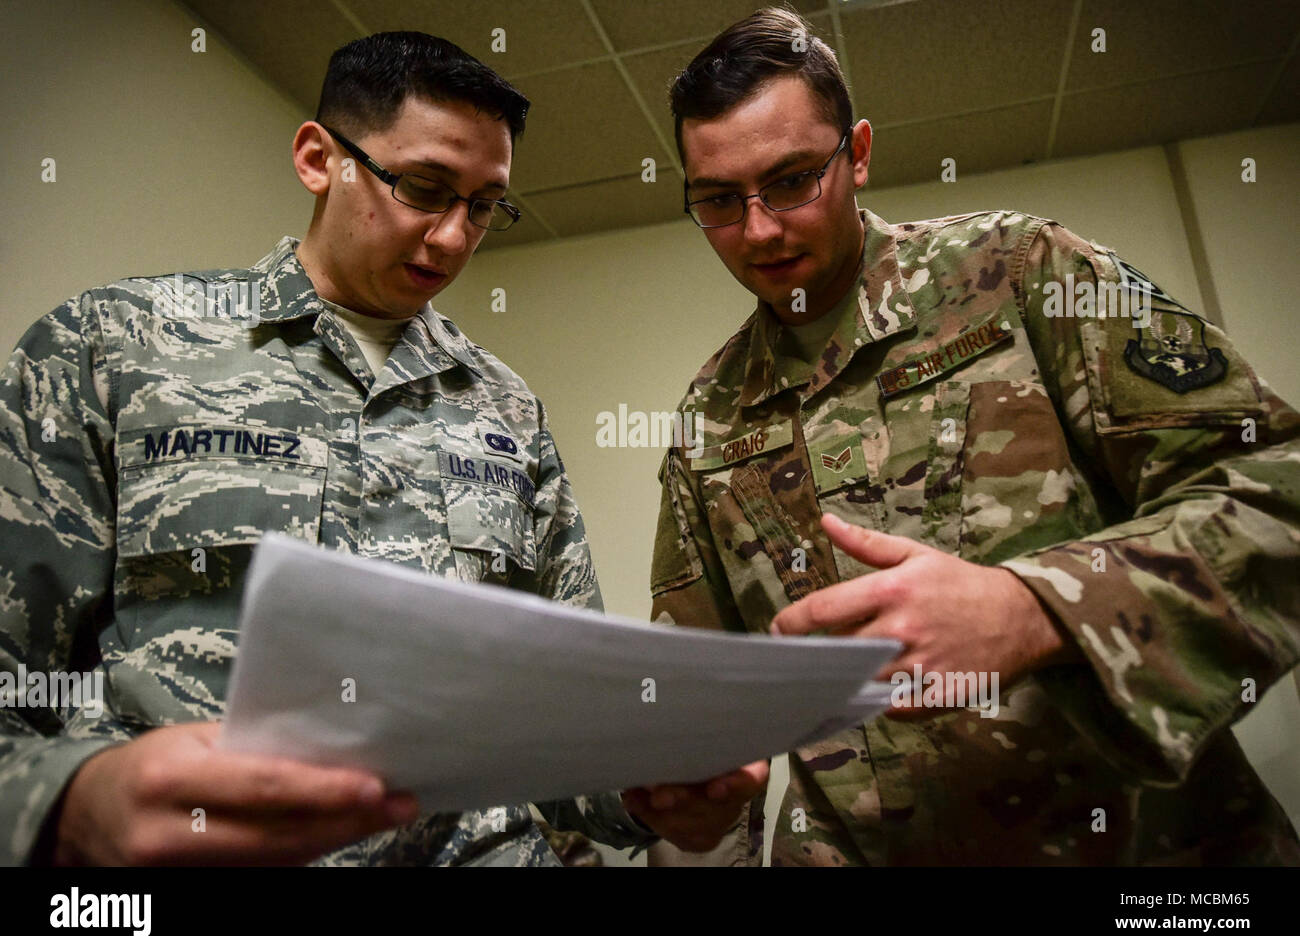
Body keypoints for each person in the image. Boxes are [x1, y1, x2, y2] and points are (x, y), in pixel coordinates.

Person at [647, 7, 1300, 865]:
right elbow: (696, 698)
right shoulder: (708, 419)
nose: (760, 229)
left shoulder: (1020, 272)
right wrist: (686, 802)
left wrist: (1035, 607)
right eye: (720, 201)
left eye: (795, 179)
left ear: (861, 153)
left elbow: (1275, 488)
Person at [0, 31, 669, 866]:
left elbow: (562, 717)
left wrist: (649, 785)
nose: (456, 238)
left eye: (485, 206)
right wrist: (73, 799)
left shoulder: (507, 408)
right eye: (424, 188)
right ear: (320, 158)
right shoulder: (109, 348)